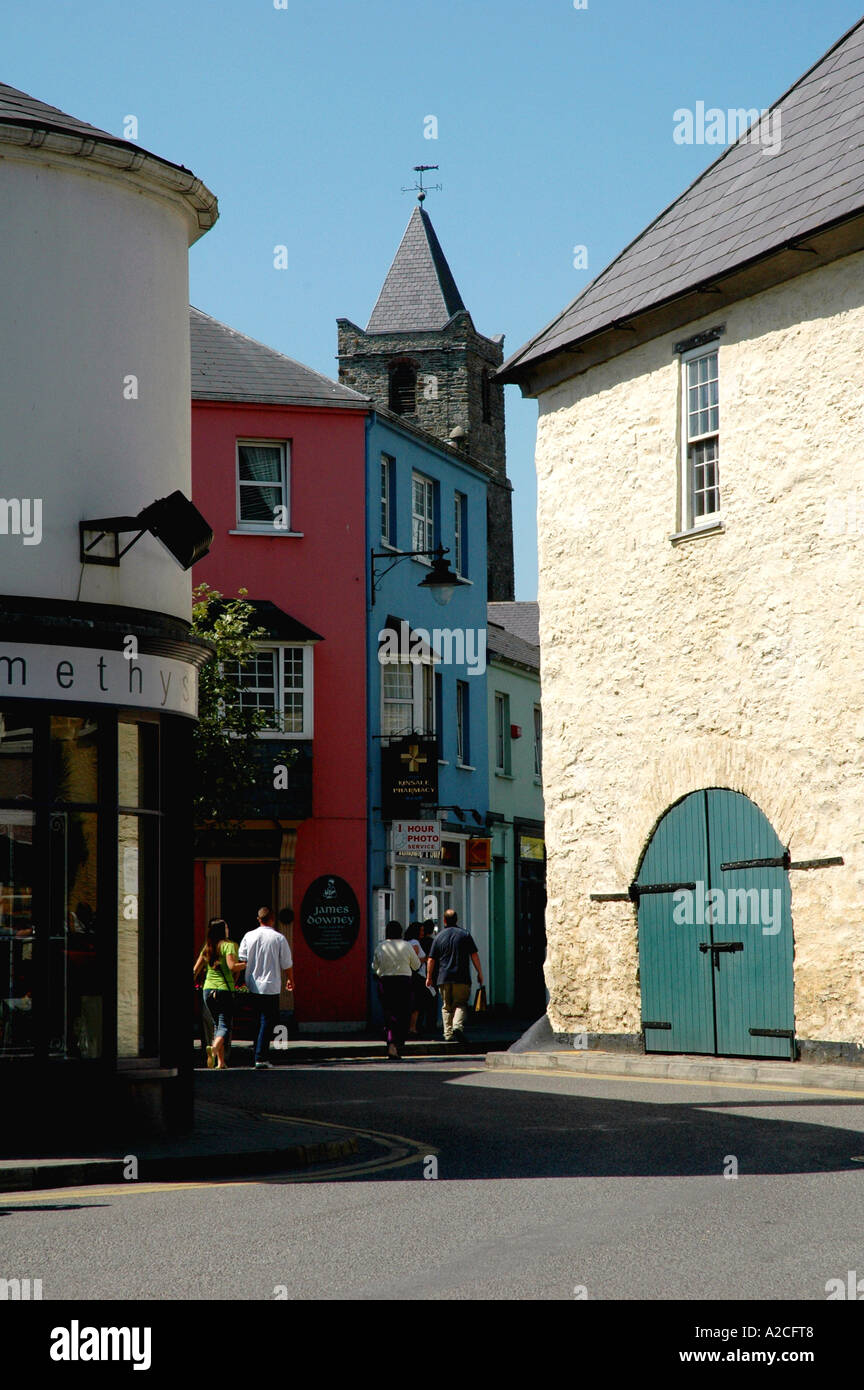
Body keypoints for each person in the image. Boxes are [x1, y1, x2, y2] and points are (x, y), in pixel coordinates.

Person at [237, 906, 294, 1070]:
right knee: (267, 1021)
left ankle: (256, 1052)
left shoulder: (249, 936)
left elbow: (243, 960)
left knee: (256, 1020)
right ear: (272, 919)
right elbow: (286, 964)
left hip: (253, 984)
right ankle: (261, 1057)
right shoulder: (279, 938)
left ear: (258, 919)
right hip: (271, 985)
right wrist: (291, 980)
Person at [426, 908, 483, 1043]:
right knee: (460, 1004)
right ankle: (457, 1026)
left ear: (444, 920)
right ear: (457, 920)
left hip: (443, 977)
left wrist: (429, 977)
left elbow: (431, 959)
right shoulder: (465, 935)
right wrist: (479, 973)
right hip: (461, 977)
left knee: (447, 1006)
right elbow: (474, 955)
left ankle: (448, 1034)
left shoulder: (439, 937)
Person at [193, 917, 240, 1070]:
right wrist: (247, 964)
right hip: (224, 990)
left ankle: (220, 1062)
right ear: (222, 930)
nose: (228, 929)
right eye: (226, 927)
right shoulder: (229, 946)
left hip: (207, 990)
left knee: (216, 1025)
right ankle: (213, 1049)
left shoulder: (207, 947)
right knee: (224, 1025)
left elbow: (195, 970)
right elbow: (232, 967)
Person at [372, 921, 420, 1058]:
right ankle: (398, 1042)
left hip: (386, 983)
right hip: (404, 983)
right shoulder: (407, 945)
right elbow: (416, 965)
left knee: (389, 1013)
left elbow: (374, 967)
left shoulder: (381, 946)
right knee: (403, 1013)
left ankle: (391, 1042)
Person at [404, 921, 429, 1037]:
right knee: (417, 1003)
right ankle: (412, 1027)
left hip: (411, 976)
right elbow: (415, 961)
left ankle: (411, 1026)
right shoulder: (415, 943)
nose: (423, 933)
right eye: (421, 930)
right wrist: (425, 959)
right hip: (417, 976)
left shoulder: (406, 942)